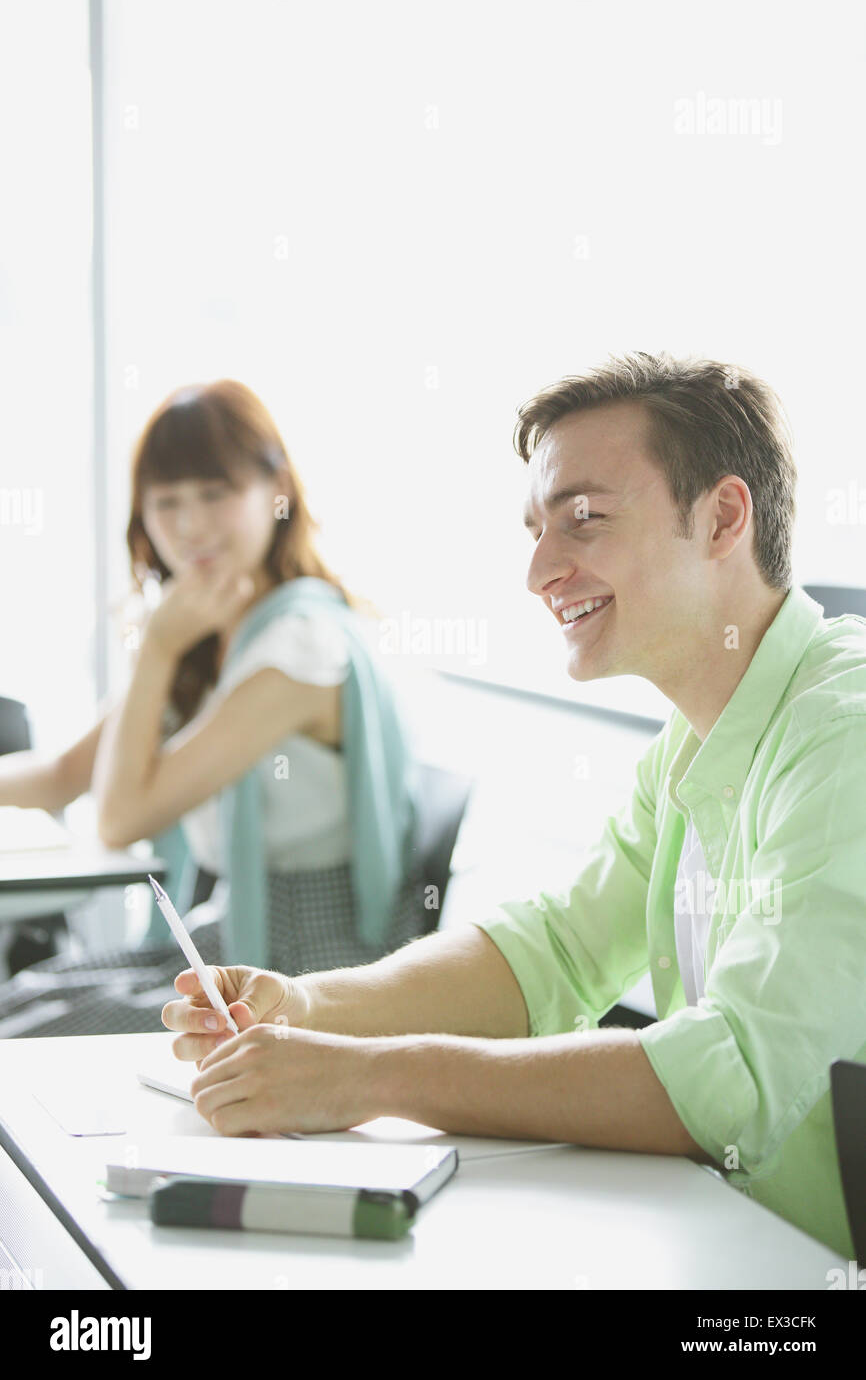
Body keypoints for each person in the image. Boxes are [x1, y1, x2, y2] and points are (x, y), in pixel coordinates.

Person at [164, 352, 866, 1262]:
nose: (540, 570)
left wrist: (369, 1077)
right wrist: (306, 1006)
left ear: (724, 516)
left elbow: (726, 1076)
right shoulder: (699, 737)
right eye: (535, 529)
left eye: (584, 519)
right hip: (725, 1243)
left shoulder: (843, 738)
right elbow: (556, 952)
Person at [0, 379, 427, 1037]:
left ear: (276, 493)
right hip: (224, 934)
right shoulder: (218, 630)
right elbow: (63, 774)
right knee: (19, 998)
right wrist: (169, 649)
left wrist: (158, 650)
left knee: (21, 1033)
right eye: (167, 502)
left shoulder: (297, 646)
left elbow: (119, 818)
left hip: (311, 961)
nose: (190, 525)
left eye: (215, 494)